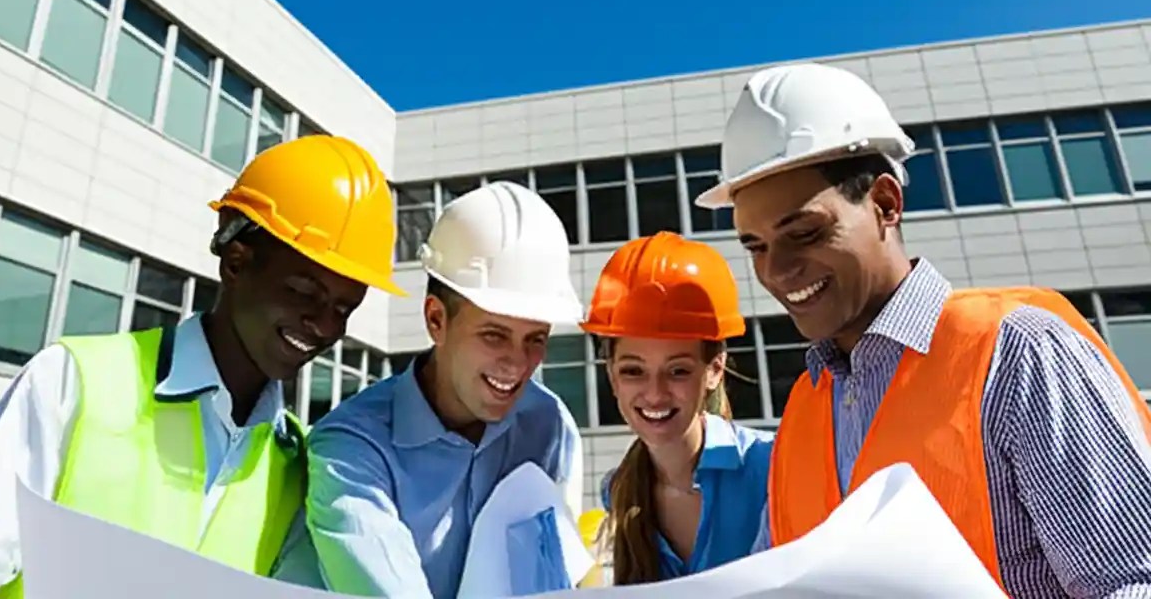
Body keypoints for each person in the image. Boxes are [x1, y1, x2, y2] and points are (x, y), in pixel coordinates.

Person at [694, 62, 1151, 597]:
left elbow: (1132, 582)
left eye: (805, 232)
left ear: (885, 204)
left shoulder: (1017, 355)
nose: (776, 269)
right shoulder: (804, 410)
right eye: (756, 246)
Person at [0, 135, 404, 599]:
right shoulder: (76, 381)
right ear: (236, 262)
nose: (322, 325)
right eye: (302, 292)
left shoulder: (297, 465)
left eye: (343, 309)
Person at [276, 181, 585, 599]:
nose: (517, 363)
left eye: (536, 339)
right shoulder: (349, 447)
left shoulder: (549, 425)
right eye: (495, 335)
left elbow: (555, 573)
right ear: (436, 320)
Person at [584, 232, 773, 586]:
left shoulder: (771, 467)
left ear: (714, 370)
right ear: (612, 377)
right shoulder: (617, 490)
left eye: (678, 371)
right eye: (633, 371)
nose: (655, 394)